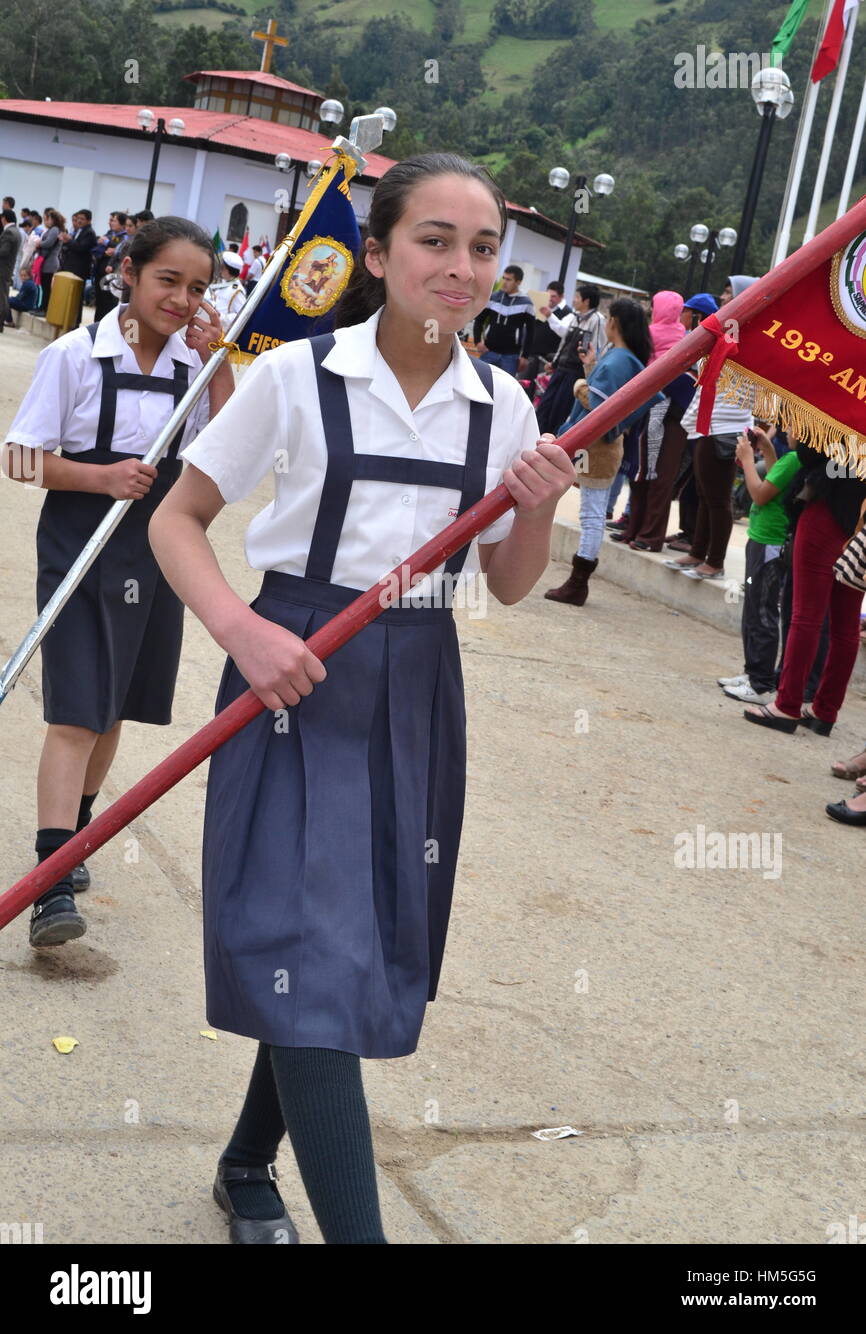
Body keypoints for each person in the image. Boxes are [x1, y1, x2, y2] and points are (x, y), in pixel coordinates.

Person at [147, 151, 574, 1245]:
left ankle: (248, 1162)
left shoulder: (503, 403)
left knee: (340, 948)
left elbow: (508, 586)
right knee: (305, 937)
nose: (462, 265)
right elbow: (175, 519)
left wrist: (531, 511)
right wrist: (243, 630)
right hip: (292, 676)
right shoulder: (298, 375)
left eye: (483, 248)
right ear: (376, 254)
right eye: (433, 240)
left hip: (416, 688)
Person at [0, 216, 235, 948]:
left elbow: (233, 447)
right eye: (168, 280)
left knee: (113, 708)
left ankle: (77, 834)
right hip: (80, 541)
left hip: (158, 549)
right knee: (76, 709)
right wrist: (98, 476)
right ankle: (48, 880)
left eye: (197, 288)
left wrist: (220, 359)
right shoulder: (74, 355)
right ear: (127, 273)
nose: (181, 298)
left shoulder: (189, 371)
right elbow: (20, 458)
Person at [743, 443, 866, 736]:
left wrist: (799, 432)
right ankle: (825, 710)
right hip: (859, 523)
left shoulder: (846, 403)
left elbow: (807, 455)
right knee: (845, 625)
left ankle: (787, 704)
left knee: (806, 615)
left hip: (826, 507)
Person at [545, 296, 655, 607]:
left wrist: (580, 383)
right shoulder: (626, 357)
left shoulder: (620, 358)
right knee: (590, 513)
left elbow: (597, 403)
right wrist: (591, 367)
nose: (606, 324)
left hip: (596, 447)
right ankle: (576, 582)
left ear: (614, 323)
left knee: (591, 515)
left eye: (608, 319)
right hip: (601, 447)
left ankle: (577, 583)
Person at [664, 275, 756, 579]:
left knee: (717, 498)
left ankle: (714, 561)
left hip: (726, 425)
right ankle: (697, 552)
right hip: (710, 422)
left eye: (730, 293)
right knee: (705, 494)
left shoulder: (749, 335)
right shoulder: (729, 331)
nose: (724, 297)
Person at [718, 427, 803, 702]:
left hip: (769, 545)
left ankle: (761, 683)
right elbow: (776, 479)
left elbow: (760, 494)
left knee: (763, 611)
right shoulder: (791, 459)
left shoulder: (795, 460)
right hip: (761, 541)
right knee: (753, 605)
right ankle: (753, 672)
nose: (787, 430)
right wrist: (767, 449)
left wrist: (745, 459)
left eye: (792, 425)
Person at [613, 290, 686, 551]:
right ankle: (636, 530)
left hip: (663, 414)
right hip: (656, 413)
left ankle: (649, 536)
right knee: (642, 472)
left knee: (656, 475)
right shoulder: (684, 337)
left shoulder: (654, 336)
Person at [535, 284, 607, 437]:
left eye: (577, 297)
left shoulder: (597, 320)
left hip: (575, 374)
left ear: (586, 301)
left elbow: (600, 349)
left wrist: (591, 374)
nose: (573, 300)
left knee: (559, 410)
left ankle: (552, 443)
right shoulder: (575, 317)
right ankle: (537, 436)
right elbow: (564, 343)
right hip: (560, 369)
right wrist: (554, 362)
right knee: (544, 406)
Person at [472, 263, 535, 375]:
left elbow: (531, 332)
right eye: (504, 278)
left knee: (504, 392)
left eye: (509, 280)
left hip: (511, 357)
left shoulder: (527, 303)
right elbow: (479, 320)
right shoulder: (493, 297)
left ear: (518, 282)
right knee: (478, 385)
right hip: (488, 352)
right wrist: (477, 341)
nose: (504, 282)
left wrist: (525, 356)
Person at [523, 280, 574, 398]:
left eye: (554, 296)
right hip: (531, 356)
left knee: (540, 393)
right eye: (548, 295)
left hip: (548, 360)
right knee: (524, 387)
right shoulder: (538, 307)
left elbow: (563, 333)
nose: (550, 299)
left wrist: (550, 315)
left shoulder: (568, 313)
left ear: (561, 297)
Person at [59, 209, 99, 328]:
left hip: (79, 269)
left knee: (77, 297)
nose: (79, 221)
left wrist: (69, 240)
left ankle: (75, 321)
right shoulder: (79, 231)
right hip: (71, 267)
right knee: (71, 297)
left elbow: (81, 248)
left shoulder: (89, 233)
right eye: (78, 218)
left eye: (82, 219)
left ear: (88, 220)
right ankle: (69, 319)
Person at [93, 212, 128, 321]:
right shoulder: (110, 233)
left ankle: (105, 324)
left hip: (113, 273)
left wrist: (109, 244)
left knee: (108, 303)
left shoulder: (124, 238)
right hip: (100, 270)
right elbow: (99, 248)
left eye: (114, 220)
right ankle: (97, 323)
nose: (111, 223)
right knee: (100, 301)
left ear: (122, 224)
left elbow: (120, 251)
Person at [208, 250, 246, 331]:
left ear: (227, 269)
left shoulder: (237, 290)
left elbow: (242, 316)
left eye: (222, 267)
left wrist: (220, 316)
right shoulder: (225, 282)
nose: (219, 270)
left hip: (223, 332)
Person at [0, 210, 22, 333]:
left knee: (2, 297)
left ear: (4, 218)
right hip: (7, 269)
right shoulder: (16, 231)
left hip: (2, 269)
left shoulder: (9, 232)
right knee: (3, 295)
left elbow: (3, 251)